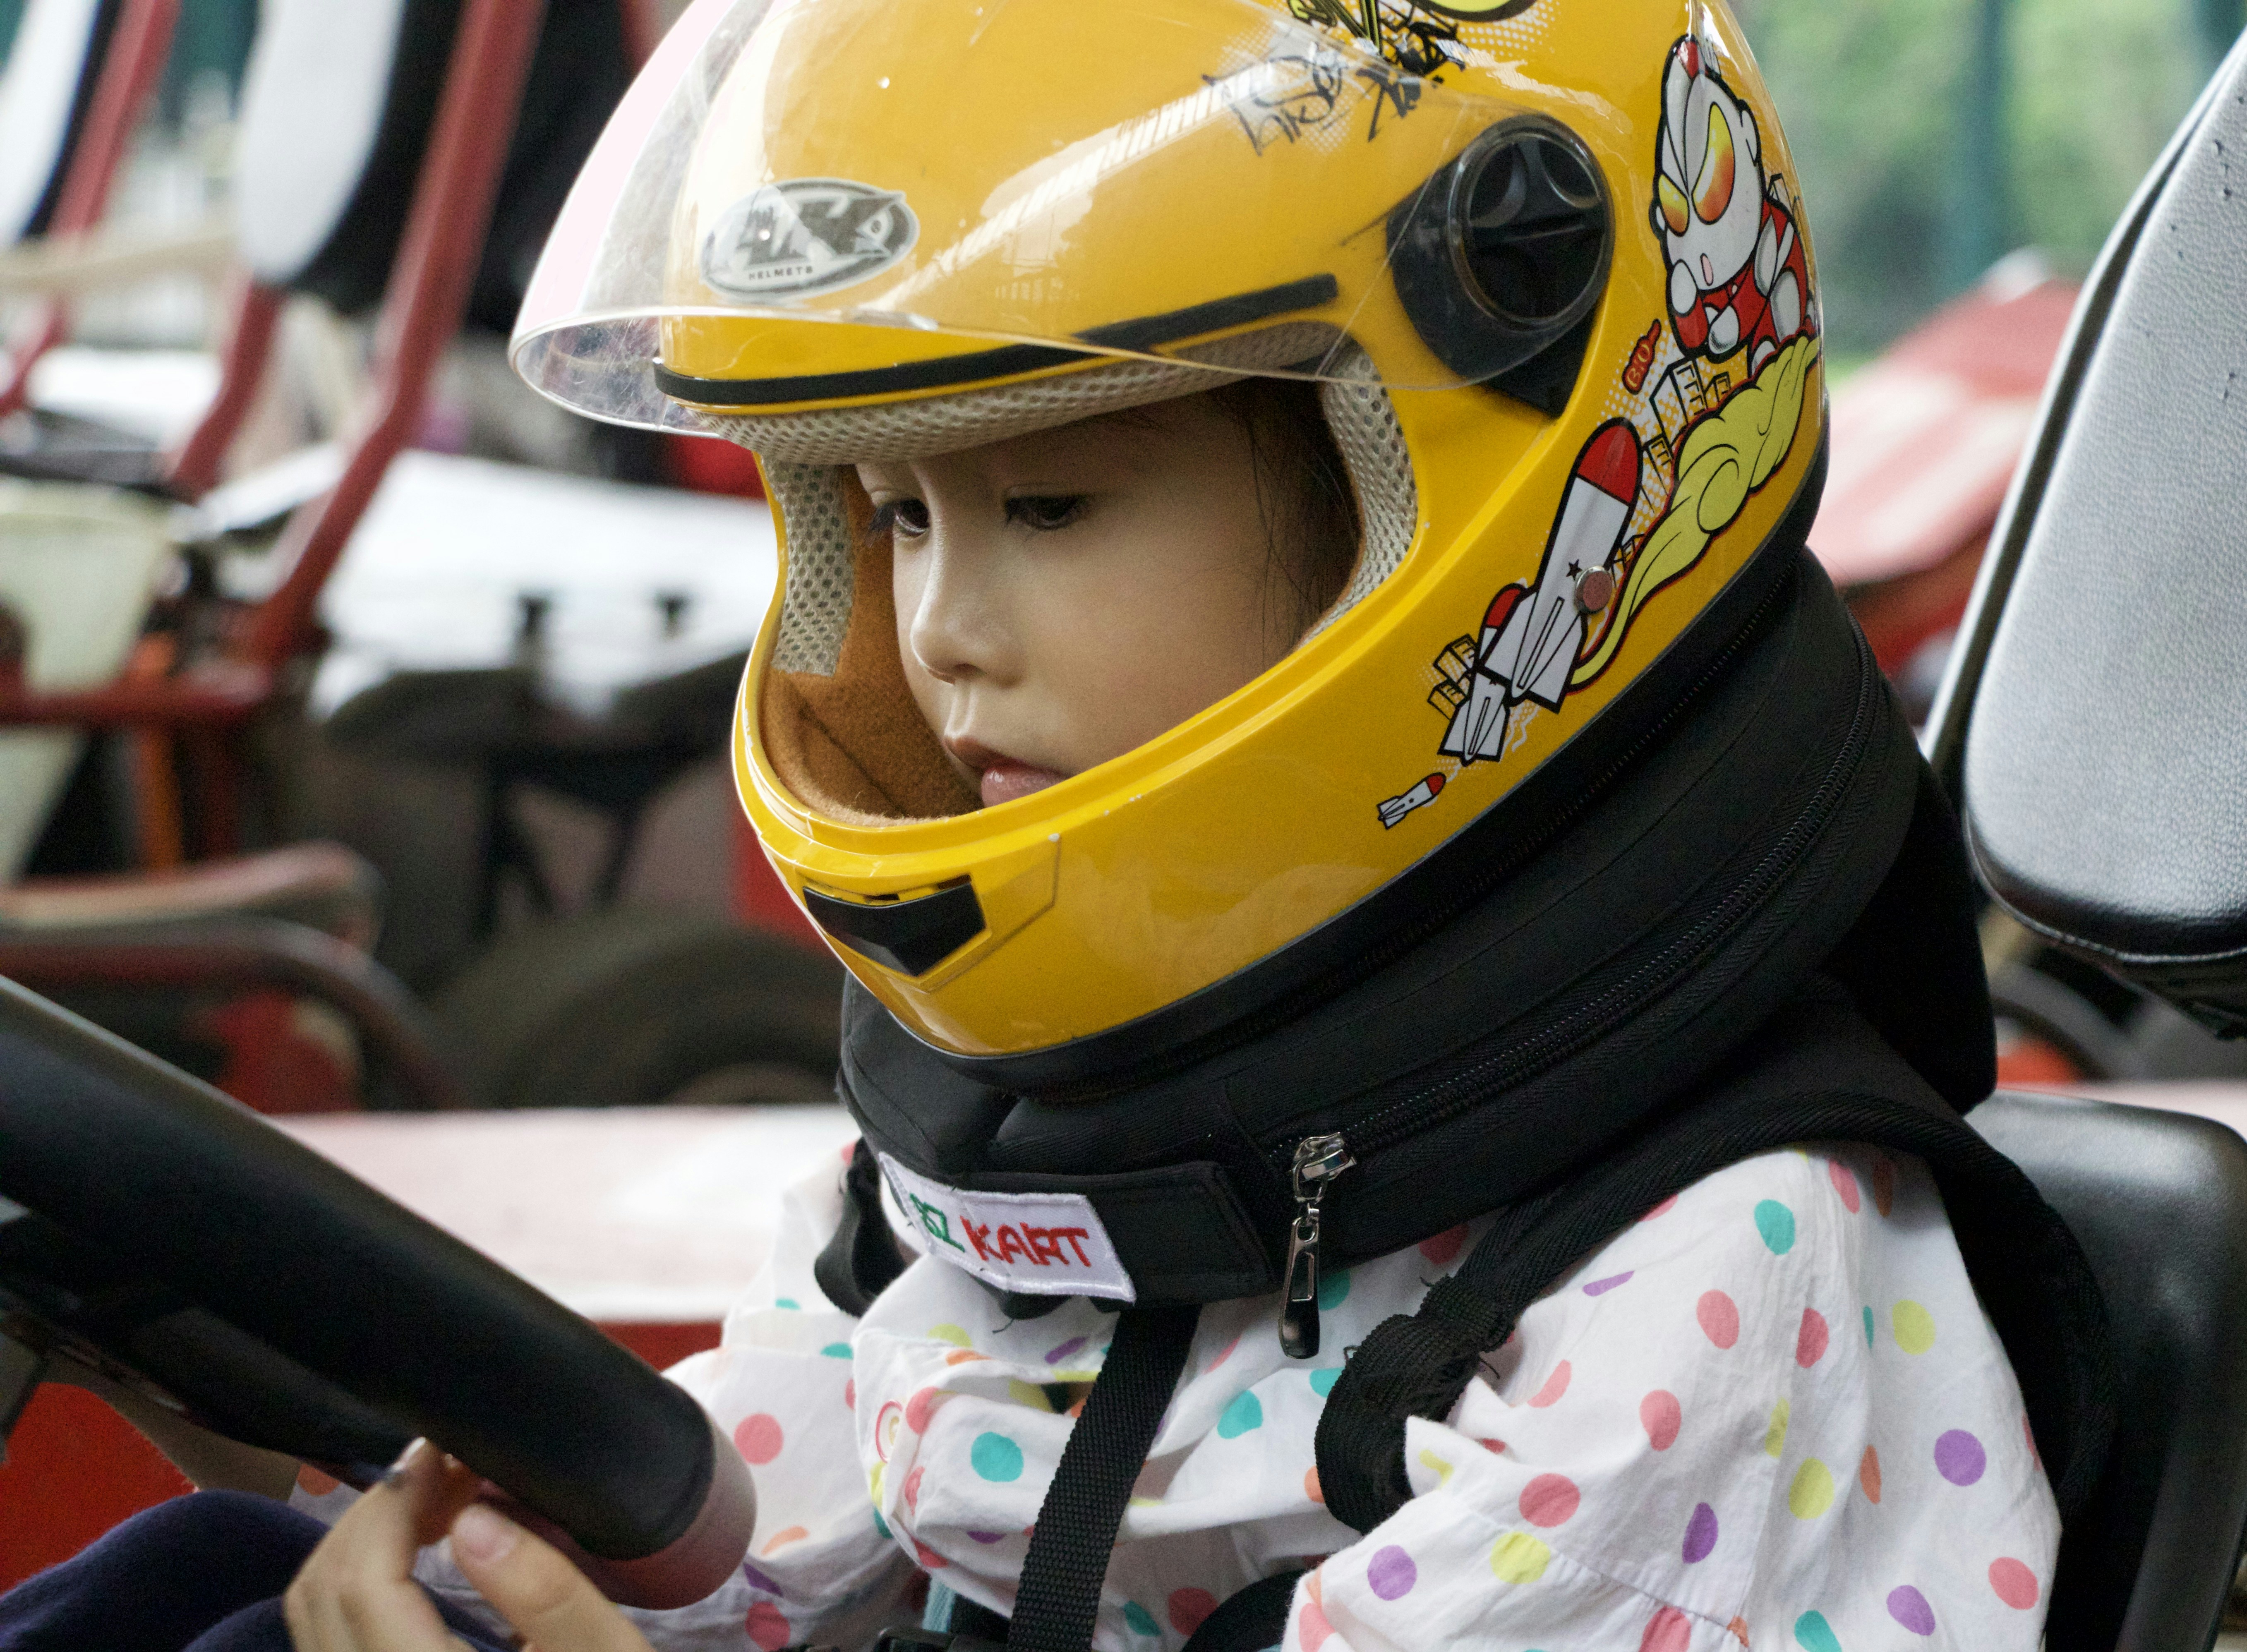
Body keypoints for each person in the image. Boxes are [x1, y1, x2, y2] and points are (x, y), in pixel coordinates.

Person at [1, 1, 2104, 1649]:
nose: (934, 636)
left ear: (1442, 533)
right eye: (893, 514)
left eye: (1053, 506)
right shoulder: (1026, 1157)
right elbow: (772, 1528)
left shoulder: (1700, 1284)